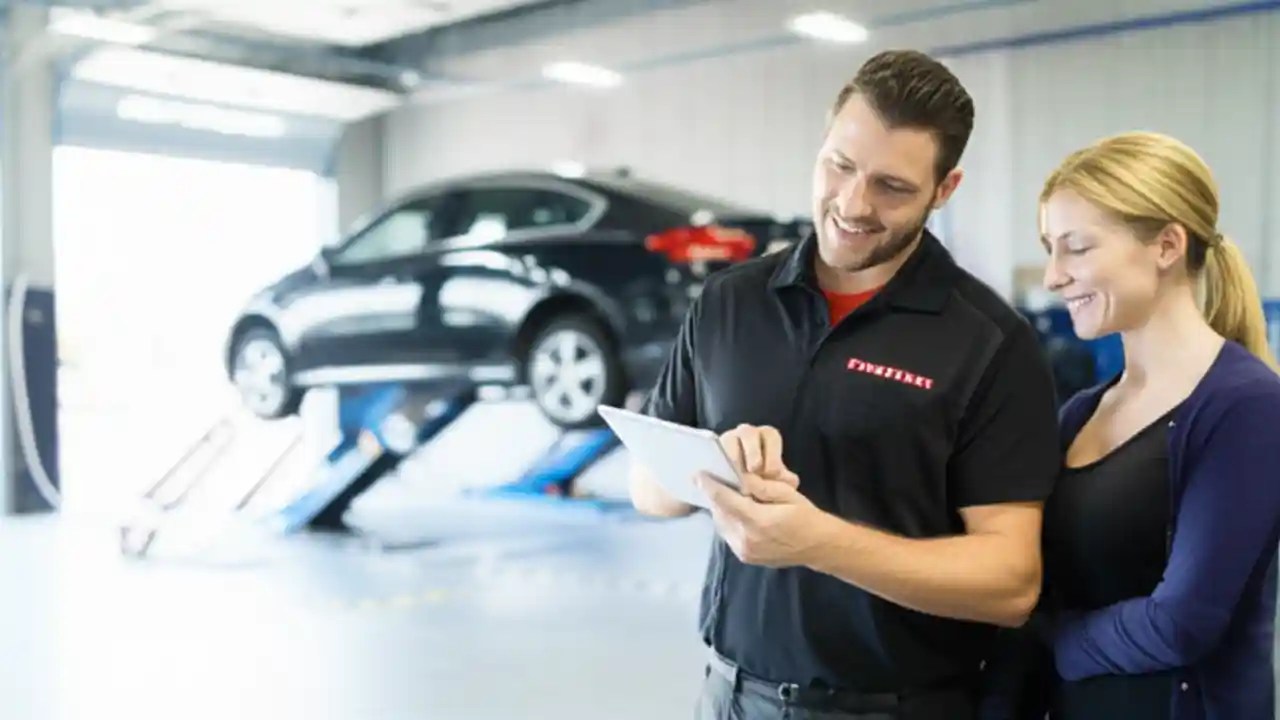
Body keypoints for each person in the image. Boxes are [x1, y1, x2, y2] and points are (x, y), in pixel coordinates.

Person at [629, 49, 1062, 720]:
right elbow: (650, 492)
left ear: (944, 190)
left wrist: (820, 543)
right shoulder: (729, 302)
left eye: (892, 186)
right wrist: (719, 468)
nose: (854, 204)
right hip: (727, 695)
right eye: (840, 166)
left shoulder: (989, 343)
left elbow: (1010, 583)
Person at [979, 131, 1280, 720]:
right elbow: (1035, 591)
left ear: (1167, 245)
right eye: (1050, 249)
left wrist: (1054, 641)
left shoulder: (1247, 408)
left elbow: (1180, 623)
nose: (1053, 277)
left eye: (1077, 248)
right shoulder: (1080, 415)